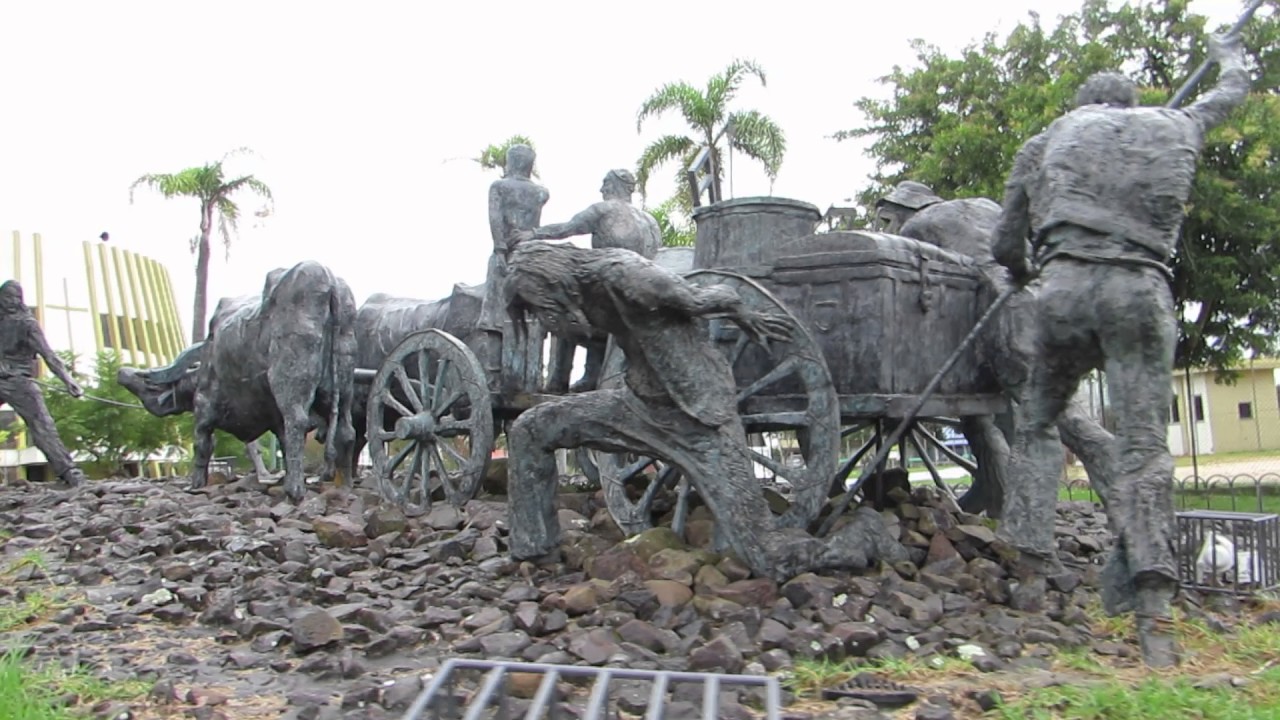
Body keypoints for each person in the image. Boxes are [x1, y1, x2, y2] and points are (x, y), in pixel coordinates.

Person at [990, 33, 1250, 668]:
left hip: (1064, 288)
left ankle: (1027, 569)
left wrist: (1026, 272)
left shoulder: (1047, 139)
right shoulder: (1175, 124)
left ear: (1084, 106)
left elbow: (1003, 245)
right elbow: (1233, 92)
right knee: (1143, 449)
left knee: (1038, 425)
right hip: (1139, 291)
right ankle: (1154, 614)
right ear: (1129, 102)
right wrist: (1226, 52)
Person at [500, 241, 907, 582]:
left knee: (767, 557)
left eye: (538, 305)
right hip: (636, 406)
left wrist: (744, 315)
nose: (541, 317)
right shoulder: (585, 292)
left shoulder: (625, 275)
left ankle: (863, 536)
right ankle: (534, 550)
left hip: (697, 420)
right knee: (530, 429)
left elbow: (708, 297)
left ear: (551, 280)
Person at [874, 181, 1116, 519]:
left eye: (888, 220)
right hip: (1042, 300)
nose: (888, 227)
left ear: (902, 209)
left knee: (1072, 424)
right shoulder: (984, 205)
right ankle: (1001, 501)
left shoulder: (916, 227)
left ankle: (1128, 510)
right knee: (984, 418)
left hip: (1003, 313)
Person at [512, 169, 661, 393]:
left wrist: (532, 234)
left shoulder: (604, 210)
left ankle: (557, 382)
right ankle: (591, 373)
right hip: (639, 296)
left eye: (605, 184)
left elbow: (566, 229)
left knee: (564, 311)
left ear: (615, 185)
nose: (602, 189)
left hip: (612, 295)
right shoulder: (650, 221)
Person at [476, 144, 550, 392]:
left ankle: (494, 376)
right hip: (531, 258)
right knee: (529, 317)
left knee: (495, 318)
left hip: (506, 255)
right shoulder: (540, 192)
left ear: (511, 162)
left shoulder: (499, 187)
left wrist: (499, 249)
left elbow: (495, 218)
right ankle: (532, 376)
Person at [0, 280, 86, 485]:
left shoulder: (26, 323)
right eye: (6, 298)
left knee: (41, 423)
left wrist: (67, 380)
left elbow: (48, 354)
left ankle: (68, 472)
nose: (11, 302)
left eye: (16, 298)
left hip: (17, 381)